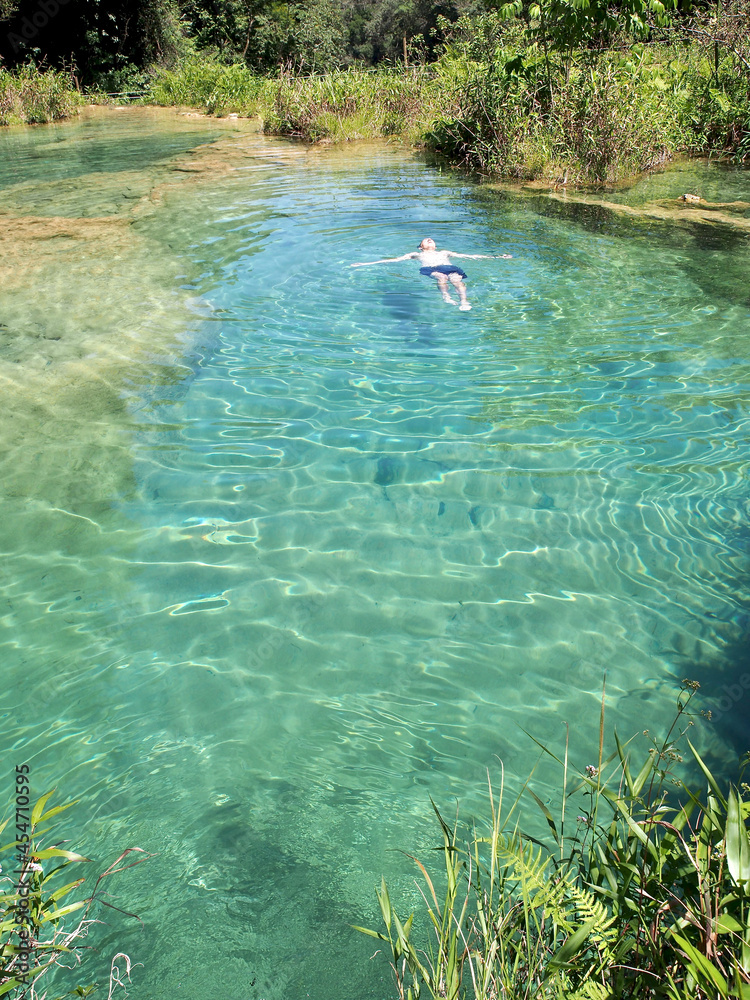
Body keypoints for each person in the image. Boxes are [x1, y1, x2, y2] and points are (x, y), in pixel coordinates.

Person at [351, 237, 513, 311]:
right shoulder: (416, 254)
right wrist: (365, 263)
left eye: (431, 239)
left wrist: (498, 257)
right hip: (431, 269)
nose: (429, 239)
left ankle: (464, 302)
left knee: (456, 279)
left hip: (449, 266)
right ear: (420, 247)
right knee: (441, 277)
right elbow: (393, 260)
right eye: (426, 240)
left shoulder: (445, 252)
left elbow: (471, 256)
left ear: (435, 245)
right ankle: (446, 297)